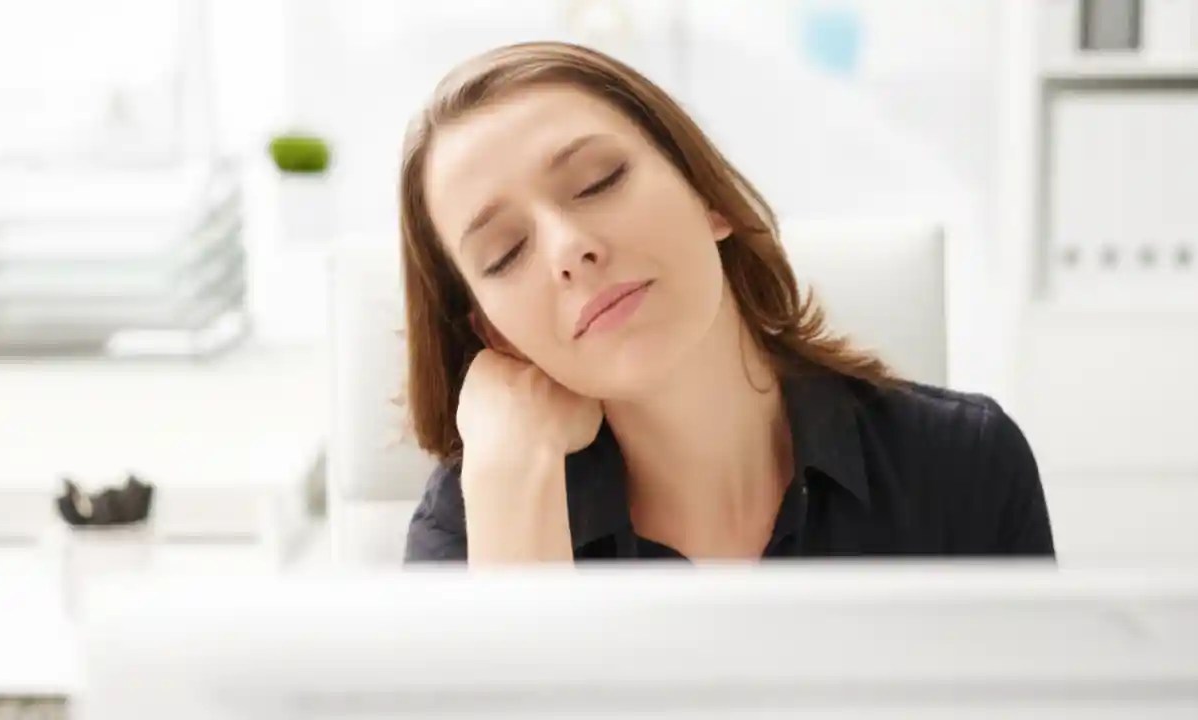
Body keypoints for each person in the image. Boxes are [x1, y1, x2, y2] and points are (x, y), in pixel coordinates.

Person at [399, 41, 1053, 564]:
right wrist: (515, 481)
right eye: (505, 253)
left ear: (708, 196)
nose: (568, 248)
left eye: (598, 181)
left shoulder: (966, 467)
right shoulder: (475, 523)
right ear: (495, 331)